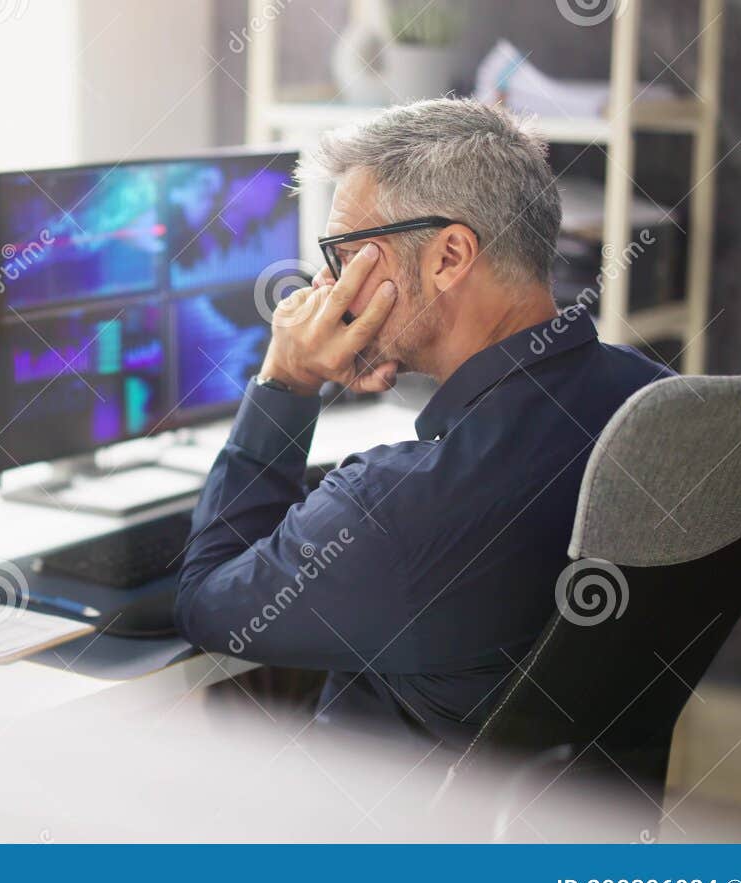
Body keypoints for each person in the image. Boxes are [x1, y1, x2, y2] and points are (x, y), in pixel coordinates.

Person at [174, 98, 672, 745]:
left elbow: (206, 606)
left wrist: (288, 382)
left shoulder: (395, 508)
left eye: (345, 253)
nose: (325, 284)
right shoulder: (654, 402)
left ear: (449, 256)